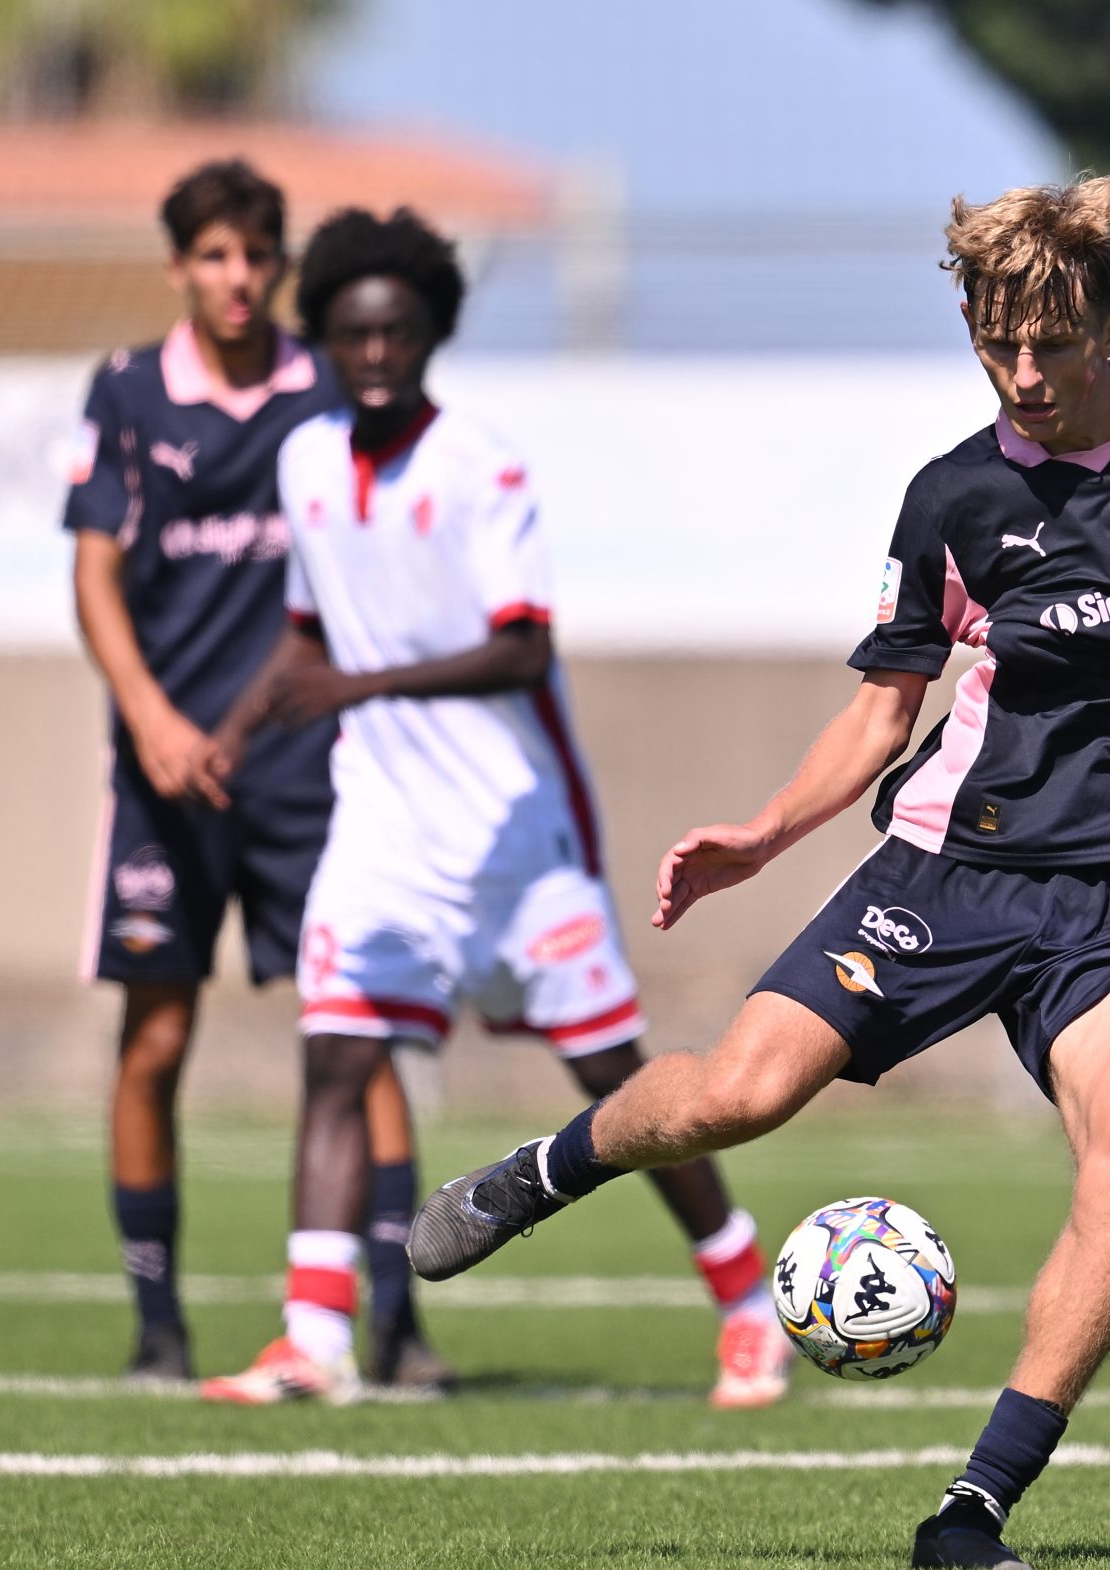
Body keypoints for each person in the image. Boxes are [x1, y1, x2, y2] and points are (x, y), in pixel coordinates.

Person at [408, 176, 1110, 1570]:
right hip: (950, 869)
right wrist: (765, 833)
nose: (1024, 374)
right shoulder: (956, 498)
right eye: (996, 341)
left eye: (1052, 344)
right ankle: (550, 1165)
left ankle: (974, 1509)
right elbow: (884, 709)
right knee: (739, 1094)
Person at [195, 207, 794, 1409]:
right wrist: (239, 722)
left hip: (518, 835)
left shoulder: (481, 465)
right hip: (381, 831)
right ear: (325, 338)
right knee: (335, 1057)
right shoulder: (304, 461)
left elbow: (522, 653)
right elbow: (310, 633)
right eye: (355, 333)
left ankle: (744, 1303)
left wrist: (349, 687)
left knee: (612, 1081)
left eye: (399, 332)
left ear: (431, 334)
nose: (376, 354)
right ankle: (312, 1340)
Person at [65, 159, 447, 1388]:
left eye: (258, 254)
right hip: (166, 778)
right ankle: (155, 1323)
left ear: (282, 263)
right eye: (215, 255)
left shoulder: (331, 385)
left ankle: (393, 1322)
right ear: (179, 265)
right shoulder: (127, 393)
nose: (240, 278)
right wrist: (154, 722)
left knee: (354, 1036)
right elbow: (94, 576)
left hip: (311, 775)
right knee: (156, 1038)